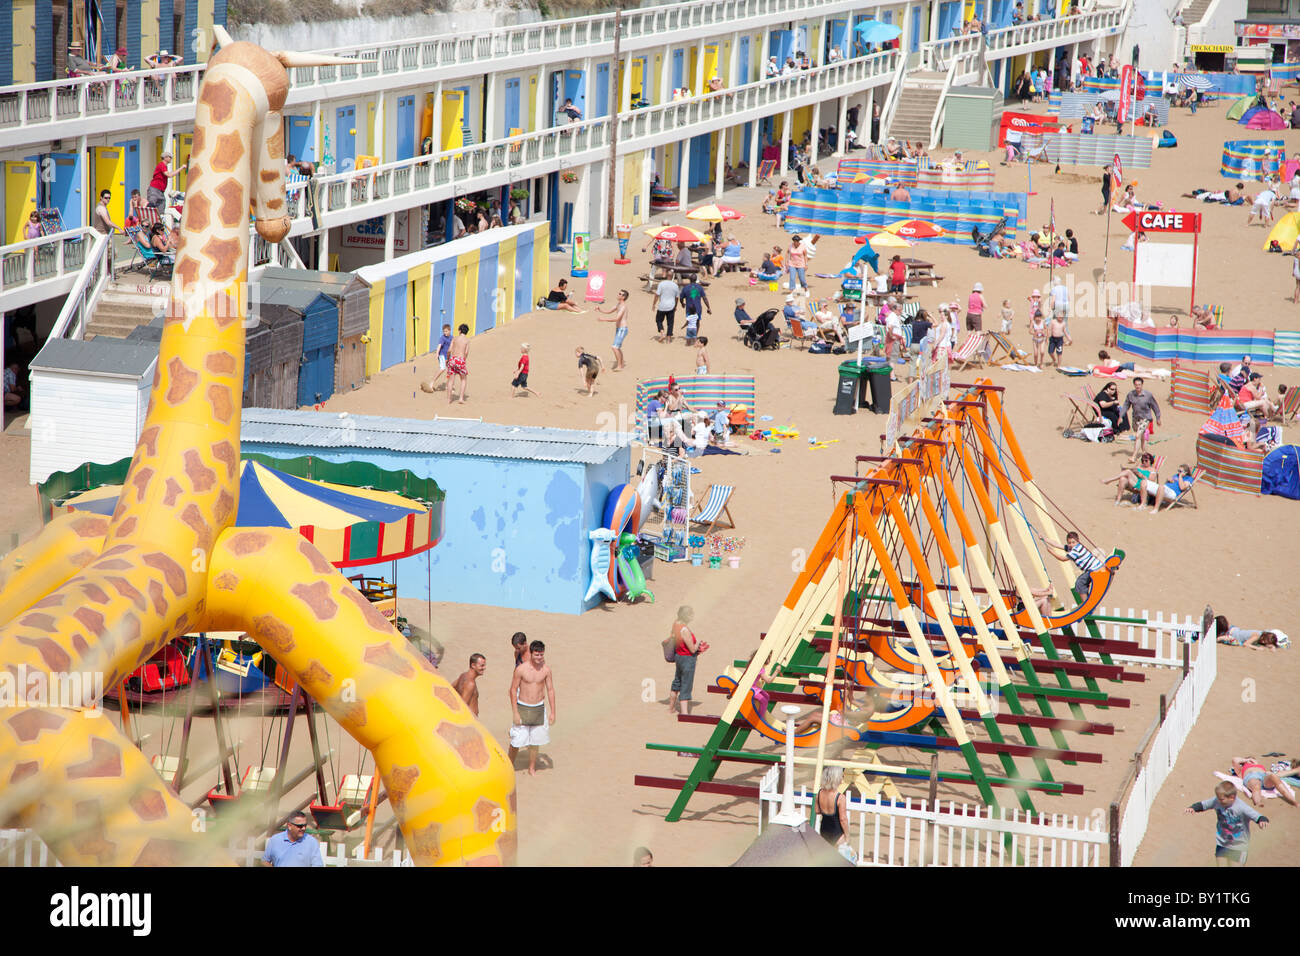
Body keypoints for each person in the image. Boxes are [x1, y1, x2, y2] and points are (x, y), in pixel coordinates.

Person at [1184, 779, 1270, 866]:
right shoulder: (1217, 800)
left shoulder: (1241, 807)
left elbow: (1257, 816)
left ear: (1232, 797)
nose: (1218, 801)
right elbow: (1204, 805)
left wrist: (1262, 820)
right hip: (1222, 843)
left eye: (1221, 799)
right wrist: (1193, 808)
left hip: (1238, 846)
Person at [508, 640, 555, 776]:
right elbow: (513, 689)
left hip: (538, 708)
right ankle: (509, 765)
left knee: (535, 741)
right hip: (523, 707)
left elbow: (550, 690)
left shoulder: (546, 670)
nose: (539, 658)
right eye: (537, 655)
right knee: (516, 741)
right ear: (531, 654)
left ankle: (531, 767)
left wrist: (553, 712)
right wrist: (515, 712)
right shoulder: (521, 669)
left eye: (541, 655)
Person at [666, 605, 707, 715]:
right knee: (686, 685)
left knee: (677, 682)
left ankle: (671, 708)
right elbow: (692, 649)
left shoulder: (676, 624)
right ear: (687, 616)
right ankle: (684, 713)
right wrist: (698, 642)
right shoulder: (685, 630)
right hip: (687, 659)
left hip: (678, 656)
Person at [815, 765, 858, 864]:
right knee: (846, 860)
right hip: (837, 832)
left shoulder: (820, 793)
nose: (842, 780)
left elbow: (817, 811)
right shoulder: (840, 797)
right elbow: (843, 819)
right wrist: (847, 836)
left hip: (824, 830)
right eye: (841, 777)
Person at [1121, 377, 1161, 462]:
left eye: (1139, 385)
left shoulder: (1148, 395)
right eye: (1136, 385)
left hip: (1146, 418)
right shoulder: (1130, 395)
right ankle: (1144, 452)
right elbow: (1126, 405)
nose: (1137, 386)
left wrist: (1158, 417)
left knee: (1137, 436)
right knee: (1141, 436)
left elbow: (1155, 406)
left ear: (1142, 385)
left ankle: (1134, 456)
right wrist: (1121, 416)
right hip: (1136, 418)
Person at [1231, 757, 1297, 807]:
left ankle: (1294, 802)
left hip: (1263, 776)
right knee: (1256, 786)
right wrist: (1246, 760)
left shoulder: (1260, 766)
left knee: (1274, 777)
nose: (1251, 760)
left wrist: (1256, 764)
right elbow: (1234, 760)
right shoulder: (1241, 769)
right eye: (1249, 759)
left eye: (1253, 759)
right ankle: (1258, 803)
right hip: (1251, 776)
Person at [596, 288, 630, 370]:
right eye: (619, 293)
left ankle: (619, 366)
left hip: (622, 329)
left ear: (623, 297)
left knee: (614, 347)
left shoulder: (623, 307)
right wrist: (601, 310)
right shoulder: (618, 304)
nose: (618, 294)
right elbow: (609, 311)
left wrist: (603, 320)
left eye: (620, 294)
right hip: (619, 329)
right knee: (617, 347)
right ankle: (621, 364)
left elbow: (617, 319)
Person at [148, 151, 186, 216]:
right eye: (170, 157)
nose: (171, 158)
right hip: (155, 190)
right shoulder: (161, 165)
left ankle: (159, 223)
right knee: (151, 206)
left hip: (160, 191)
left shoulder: (164, 166)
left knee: (161, 208)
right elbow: (169, 175)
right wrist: (181, 168)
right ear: (165, 157)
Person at [680, 274, 711, 342]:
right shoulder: (700, 287)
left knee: (690, 322)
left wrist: (682, 304)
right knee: (697, 322)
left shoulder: (686, 288)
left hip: (689, 308)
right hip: (698, 309)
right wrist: (708, 307)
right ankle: (695, 335)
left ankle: (689, 336)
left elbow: (681, 297)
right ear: (696, 279)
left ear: (689, 280)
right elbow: (704, 298)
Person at [651, 273, 680, 342]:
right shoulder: (675, 285)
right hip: (671, 306)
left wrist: (654, 304)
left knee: (658, 320)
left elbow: (657, 295)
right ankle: (669, 338)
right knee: (670, 322)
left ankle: (662, 333)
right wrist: (676, 306)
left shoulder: (661, 284)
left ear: (667, 276)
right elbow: (677, 298)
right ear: (673, 276)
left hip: (662, 306)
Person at [447, 323, 471, 404]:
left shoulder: (455, 339)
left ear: (460, 330)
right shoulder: (467, 340)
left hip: (453, 359)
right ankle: (460, 398)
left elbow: (449, 350)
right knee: (463, 379)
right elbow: (466, 352)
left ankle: (449, 399)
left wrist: (447, 359)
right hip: (460, 360)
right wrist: (464, 360)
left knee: (451, 380)